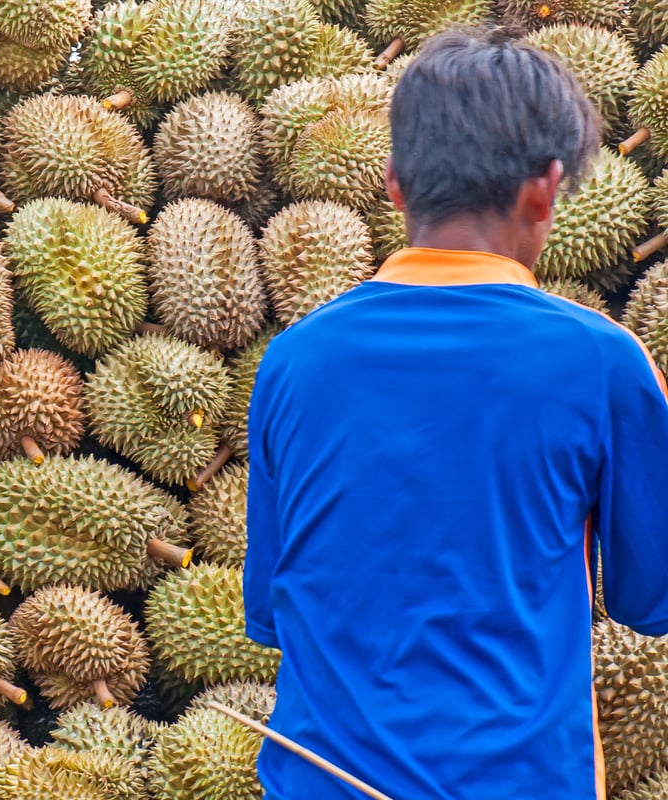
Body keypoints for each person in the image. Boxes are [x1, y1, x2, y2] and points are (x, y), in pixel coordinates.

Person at [244, 26, 668, 800]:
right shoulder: (603, 364)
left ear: (394, 182)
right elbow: (651, 597)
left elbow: (277, 605)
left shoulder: (293, 362)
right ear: (546, 190)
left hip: (322, 783)